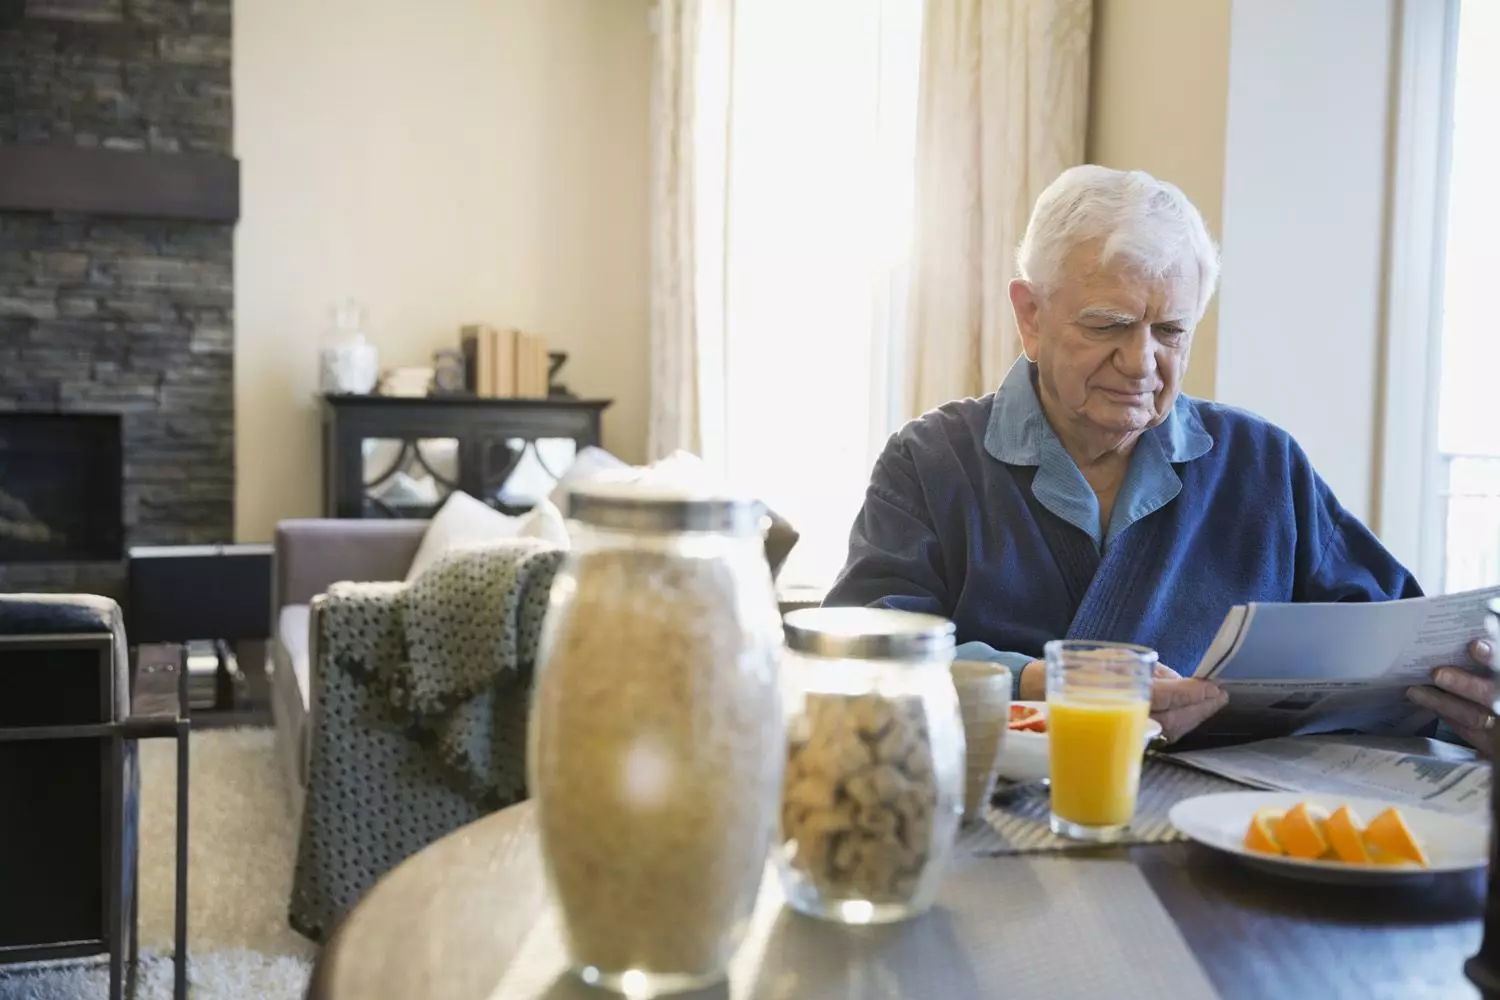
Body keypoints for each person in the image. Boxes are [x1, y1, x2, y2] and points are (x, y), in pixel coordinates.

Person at [825, 164, 1494, 748]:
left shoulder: (1262, 465)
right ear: (1030, 316)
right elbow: (856, 655)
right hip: (1000, 828)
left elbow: (1402, 649)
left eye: (1170, 331)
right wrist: (1051, 683)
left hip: (1225, 842)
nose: (1141, 362)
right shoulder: (932, 460)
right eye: (1108, 325)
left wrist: (1472, 695)